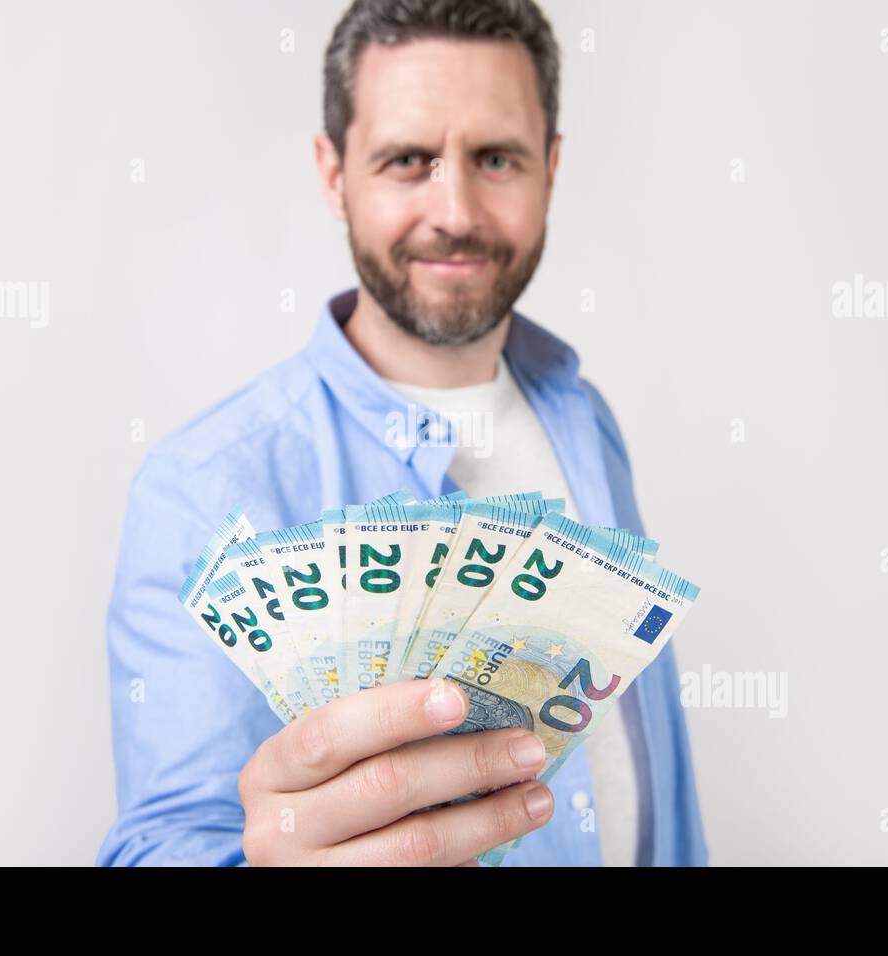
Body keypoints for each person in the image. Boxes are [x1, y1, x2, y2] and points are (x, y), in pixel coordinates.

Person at [97, 0, 706, 867]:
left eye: (496, 158)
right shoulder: (200, 491)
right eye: (407, 160)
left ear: (552, 169)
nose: (453, 210)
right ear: (334, 171)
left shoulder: (586, 418)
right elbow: (157, 850)